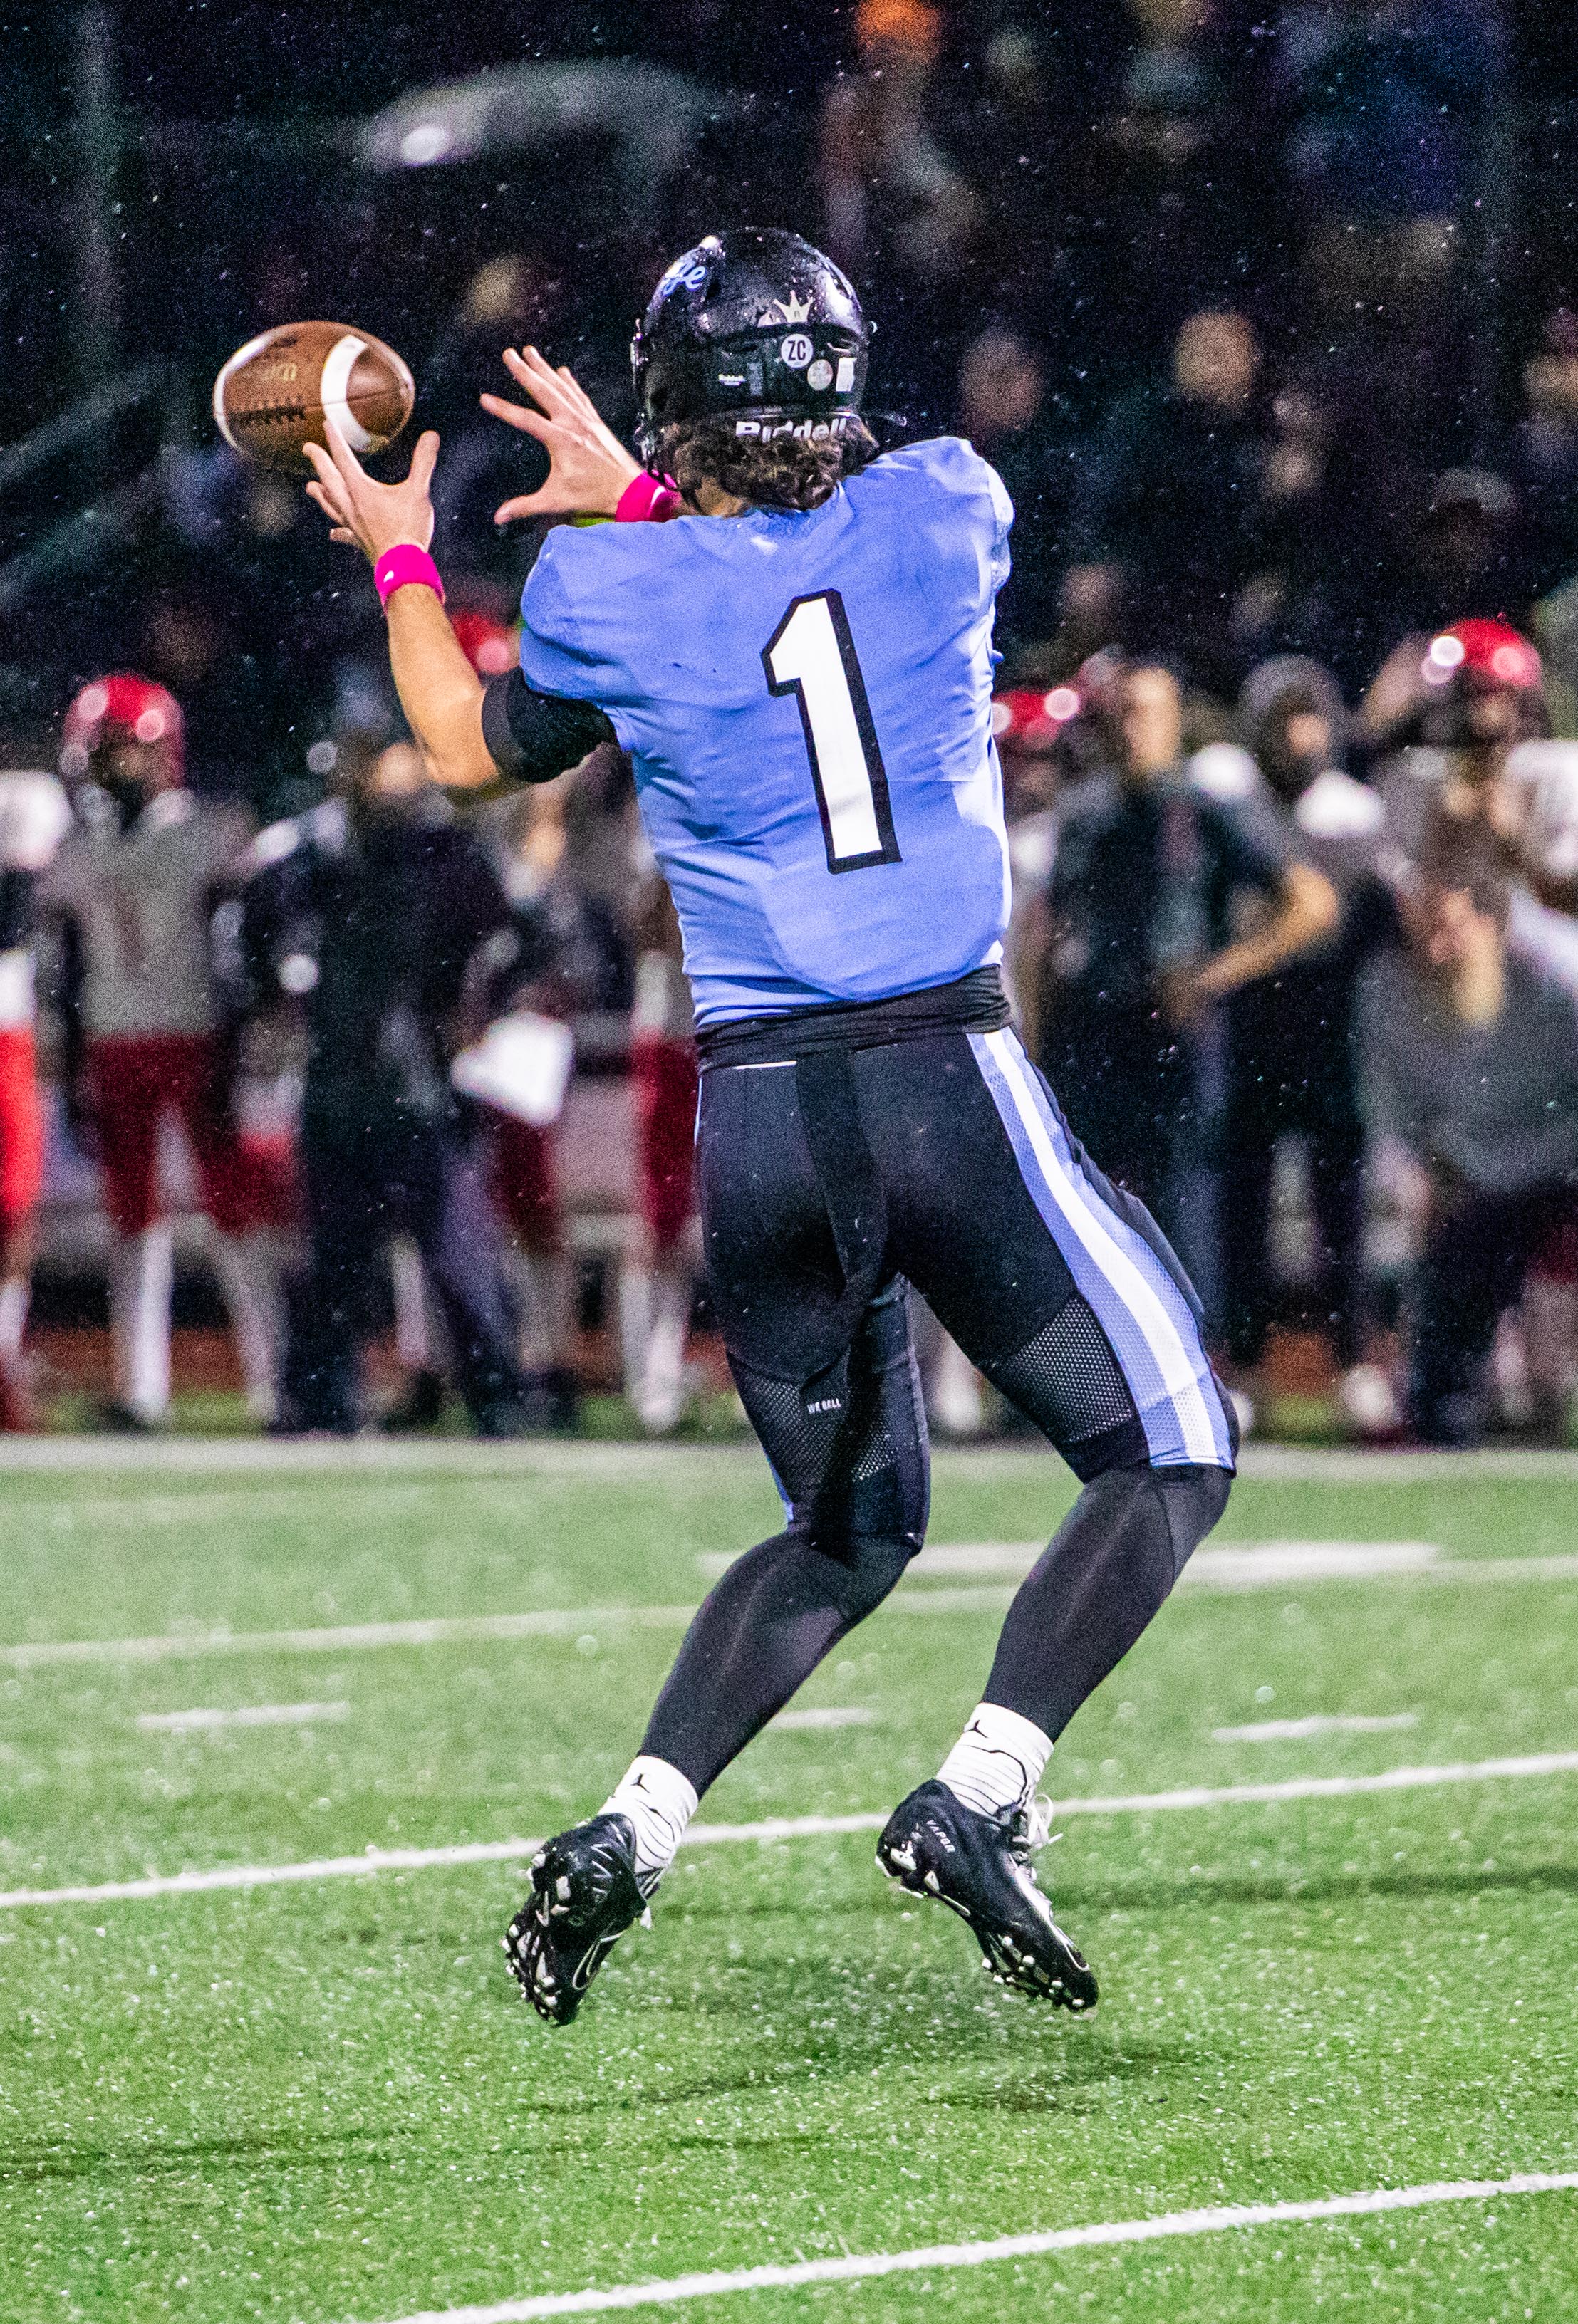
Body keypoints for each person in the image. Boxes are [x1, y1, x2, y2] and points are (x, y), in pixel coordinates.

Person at [302, 227, 1238, 2028]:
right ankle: (980, 1790)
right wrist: (655, 489)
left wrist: (403, 550)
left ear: (671, 411)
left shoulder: (601, 592)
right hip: (935, 1076)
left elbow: (460, 739)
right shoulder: (948, 509)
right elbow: (810, 560)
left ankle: (629, 1833)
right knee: (1169, 1447)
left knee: (845, 1525)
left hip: (757, 1121)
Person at [227, 734, 535, 1437]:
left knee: (459, 1262)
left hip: (419, 1086)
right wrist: (270, 996)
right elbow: (248, 933)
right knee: (332, 1265)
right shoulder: (311, 859)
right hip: (339, 1085)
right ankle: (321, 1402)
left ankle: (496, 1399)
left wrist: (480, 1006)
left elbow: (522, 936)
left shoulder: (445, 855)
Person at [1039, 658, 1339, 1307]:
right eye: (1120, 714)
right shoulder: (1085, 814)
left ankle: (1196, 1362)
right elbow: (1052, 927)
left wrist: (1213, 976)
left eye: (1144, 713)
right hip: (1092, 1032)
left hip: (1174, 1035)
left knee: (1183, 1204)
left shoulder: (1202, 809)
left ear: (1174, 723)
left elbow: (1311, 903)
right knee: (1086, 1204)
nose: (1130, 730)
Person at [45, 677, 279, 1429]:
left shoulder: (208, 832)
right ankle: (142, 1386)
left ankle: (273, 1375)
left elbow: (240, 952)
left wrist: (240, 1039)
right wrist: (75, 1052)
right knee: (131, 1220)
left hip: (194, 1031)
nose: (110, 768)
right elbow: (69, 965)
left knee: (233, 1212)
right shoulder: (76, 847)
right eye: (101, 752)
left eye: (122, 751)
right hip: (115, 1037)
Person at [1202, 658, 1395, 1433]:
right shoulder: (1225, 795)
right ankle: (1242, 1364)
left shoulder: (1350, 811)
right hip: (1248, 1016)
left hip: (1326, 1014)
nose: (1296, 735)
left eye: (1307, 716)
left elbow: (1360, 925)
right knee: (1240, 1198)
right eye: (1281, 718)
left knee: (1338, 1200)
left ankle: (1355, 1360)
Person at [1361, 811, 1578, 1445]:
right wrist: (1433, 1173)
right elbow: (1398, 1116)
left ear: (1495, 922)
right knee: (1437, 1404)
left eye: (1452, 930)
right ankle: (1454, 1400)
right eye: (1423, 930)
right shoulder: (1385, 991)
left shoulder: (1563, 974)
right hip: (1480, 1179)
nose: (1434, 951)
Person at [0, 759, 71, 1427]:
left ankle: (2, 1356)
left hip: (6, 1023)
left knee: (14, 1199)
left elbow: (11, 919)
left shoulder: (24, 797)